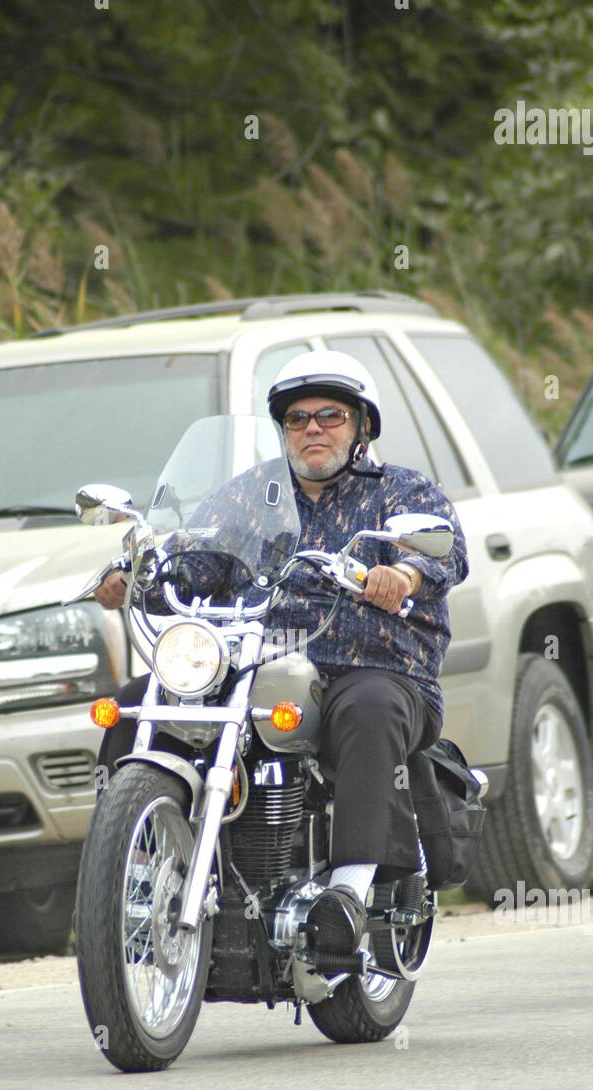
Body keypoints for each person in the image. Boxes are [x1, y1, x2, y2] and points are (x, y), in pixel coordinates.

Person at [93, 350, 469, 958]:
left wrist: (402, 572)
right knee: (141, 701)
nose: (312, 429)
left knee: (367, 707)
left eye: (330, 415)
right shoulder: (253, 494)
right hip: (259, 664)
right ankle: (128, 867)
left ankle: (349, 895)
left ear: (362, 426)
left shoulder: (401, 490)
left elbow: (442, 551)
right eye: (297, 418)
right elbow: (196, 549)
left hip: (377, 669)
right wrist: (134, 572)